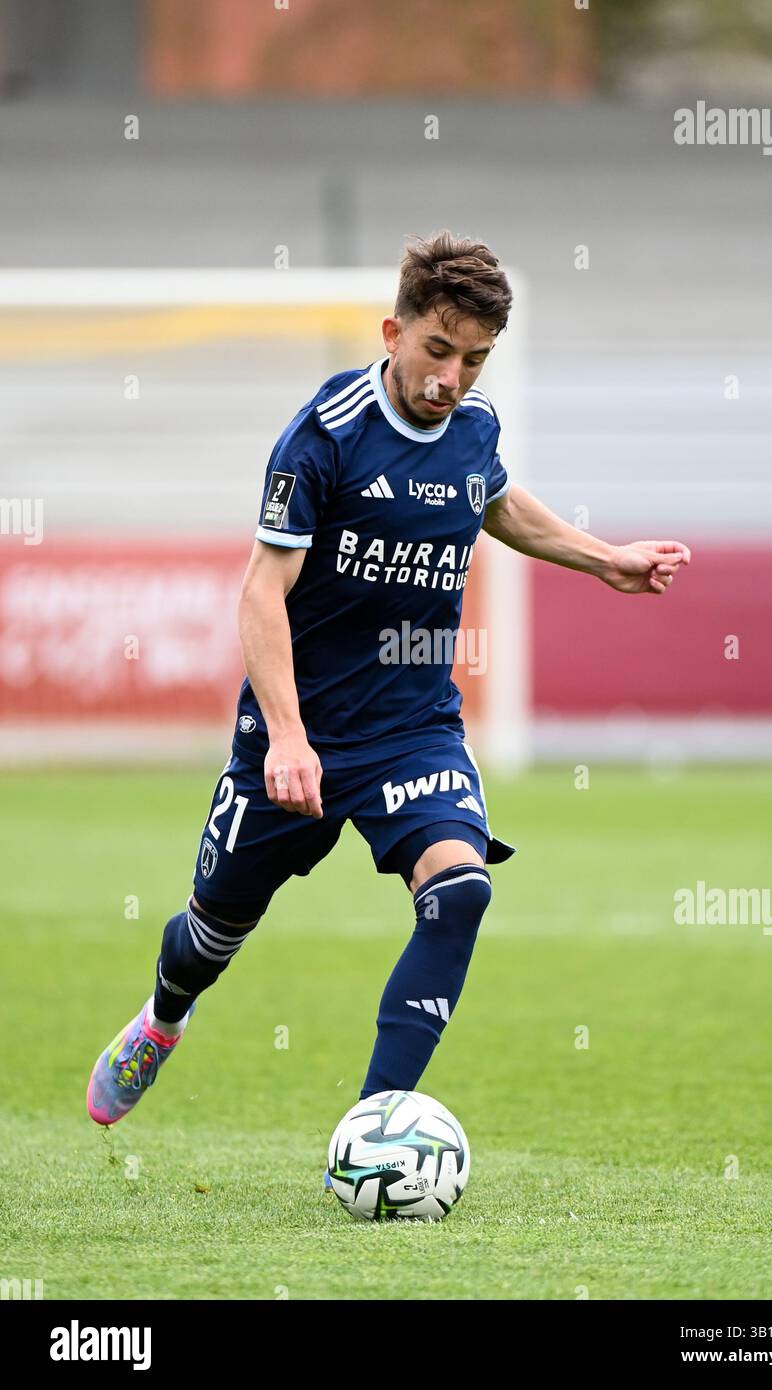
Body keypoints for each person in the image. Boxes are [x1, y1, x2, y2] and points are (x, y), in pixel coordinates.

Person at [86, 231, 690, 1175]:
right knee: (210, 933)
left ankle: (374, 1134)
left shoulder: (475, 426)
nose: (452, 378)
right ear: (393, 331)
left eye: (475, 359)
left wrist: (602, 554)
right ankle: (164, 1020)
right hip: (298, 735)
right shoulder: (324, 435)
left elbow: (495, 501)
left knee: (460, 892)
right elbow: (259, 592)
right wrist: (287, 737)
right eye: (438, 351)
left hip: (413, 729)